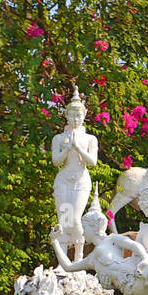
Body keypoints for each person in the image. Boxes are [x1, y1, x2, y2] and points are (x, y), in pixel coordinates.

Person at [51, 85, 99, 262]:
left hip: (80, 179)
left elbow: (93, 162)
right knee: (64, 220)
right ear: (66, 115)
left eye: (78, 115)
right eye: (72, 115)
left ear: (84, 116)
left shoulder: (90, 139)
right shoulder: (58, 138)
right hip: (63, 179)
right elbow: (56, 161)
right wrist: (67, 148)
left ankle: (78, 261)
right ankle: (62, 263)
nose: (75, 119)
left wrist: (78, 148)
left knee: (76, 219)